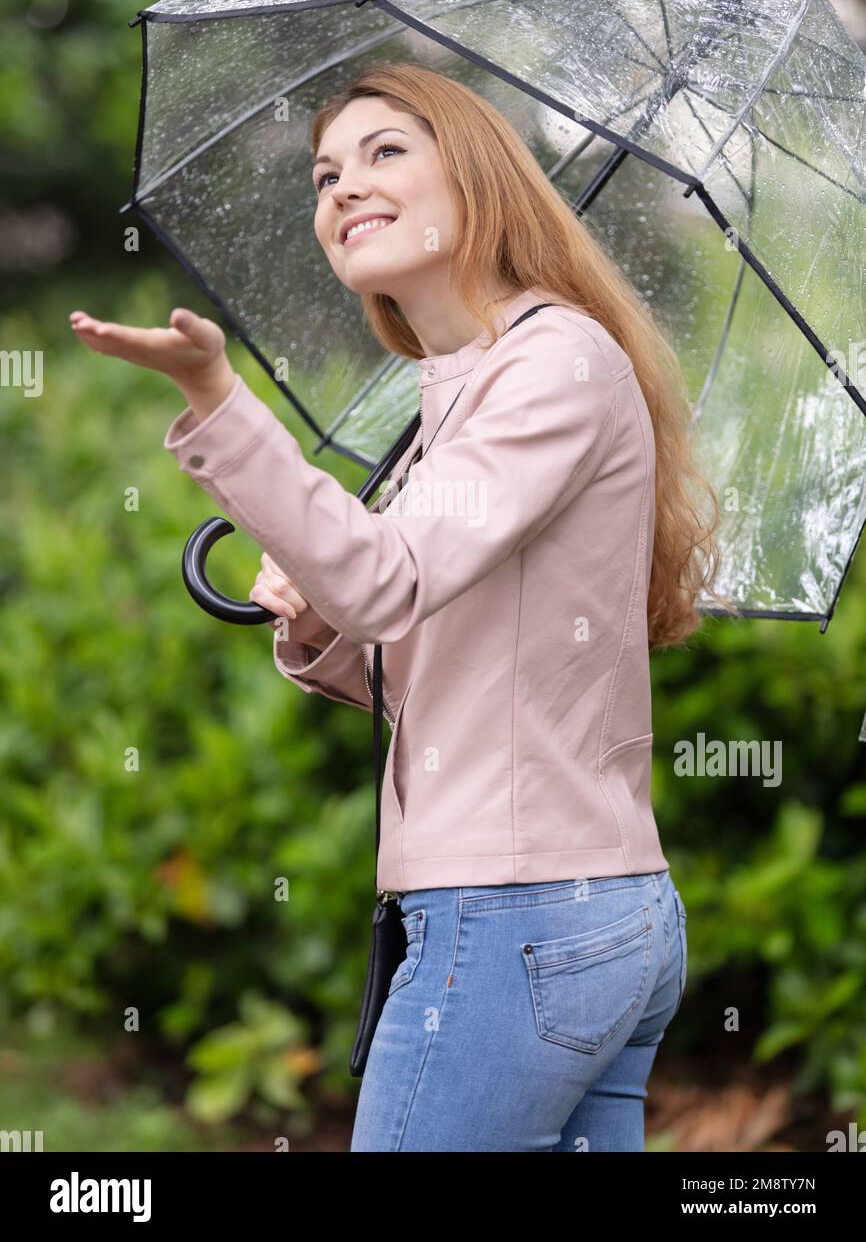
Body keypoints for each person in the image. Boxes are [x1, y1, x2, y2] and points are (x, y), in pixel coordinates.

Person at [69, 62, 731, 1152]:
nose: (341, 186)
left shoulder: (550, 363)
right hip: (570, 912)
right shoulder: (465, 390)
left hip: (516, 911)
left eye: (384, 154)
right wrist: (315, 609)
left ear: (473, 179)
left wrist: (215, 400)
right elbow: (414, 641)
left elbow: (387, 579)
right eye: (325, 171)